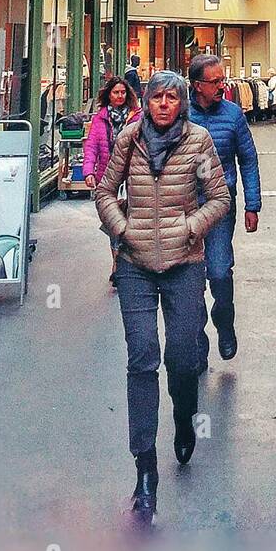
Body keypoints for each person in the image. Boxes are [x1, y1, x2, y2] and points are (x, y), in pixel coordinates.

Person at [94, 71, 230, 527]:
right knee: (141, 359)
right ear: (147, 101)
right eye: (157, 98)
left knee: (183, 357)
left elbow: (219, 198)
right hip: (134, 265)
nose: (164, 105)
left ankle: (186, 414)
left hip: (184, 266)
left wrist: (191, 227)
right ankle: (145, 470)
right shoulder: (129, 139)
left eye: (173, 98)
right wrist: (122, 228)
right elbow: (104, 190)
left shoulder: (199, 141)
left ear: (182, 102)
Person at [187, 53, 261, 372]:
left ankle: (225, 321)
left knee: (218, 270)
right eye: (215, 81)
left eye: (223, 79)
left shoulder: (233, 114)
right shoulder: (179, 115)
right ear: (197, 85)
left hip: (220, 204)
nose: (222, 85)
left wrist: (252, 204)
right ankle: (197, 342)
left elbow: (248, 159)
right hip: (184, 207)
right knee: (190, 280)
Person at [83, 75, 141, 287]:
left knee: (130, 219)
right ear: (108, 95)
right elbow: (91, 146)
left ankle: (125, 265)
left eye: (123, 92)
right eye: (116, 92)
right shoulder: (100, 119)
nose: (120, 96)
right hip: (109, 178)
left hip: (133, 176)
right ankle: (117, 263)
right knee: (112, 220)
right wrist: (88, 170)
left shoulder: (137, 118)